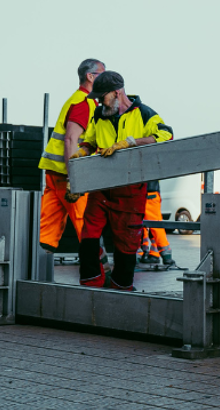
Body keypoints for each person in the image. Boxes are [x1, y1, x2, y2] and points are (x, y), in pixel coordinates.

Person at [73, 71, 173, 290]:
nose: (99, 101)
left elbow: (166, 136)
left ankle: (122, 287)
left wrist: (131, 142)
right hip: (101, 186)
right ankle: (91, 284)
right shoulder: (99, 114)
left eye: (102, 96)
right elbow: (89, 140)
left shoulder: (145, 114)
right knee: (88, 234)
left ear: (117, 93)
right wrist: (82, 152)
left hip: (131, 189)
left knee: (127, 242)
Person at [37, 59, 104, 252]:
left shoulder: (75, 100)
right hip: (70, 177)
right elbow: (70, 140)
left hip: (54, 173)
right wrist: (73, 177)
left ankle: (36, 271)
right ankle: (100, 274)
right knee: (87, 225)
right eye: (102, 74)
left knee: (47, 229)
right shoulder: (84, 103)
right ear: (90, 77)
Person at [138, 180, 174, 266]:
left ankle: (164, 255)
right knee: (152, 226)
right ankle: (157, 254)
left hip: (145, 193)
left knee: (150, 225)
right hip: (149, 193)